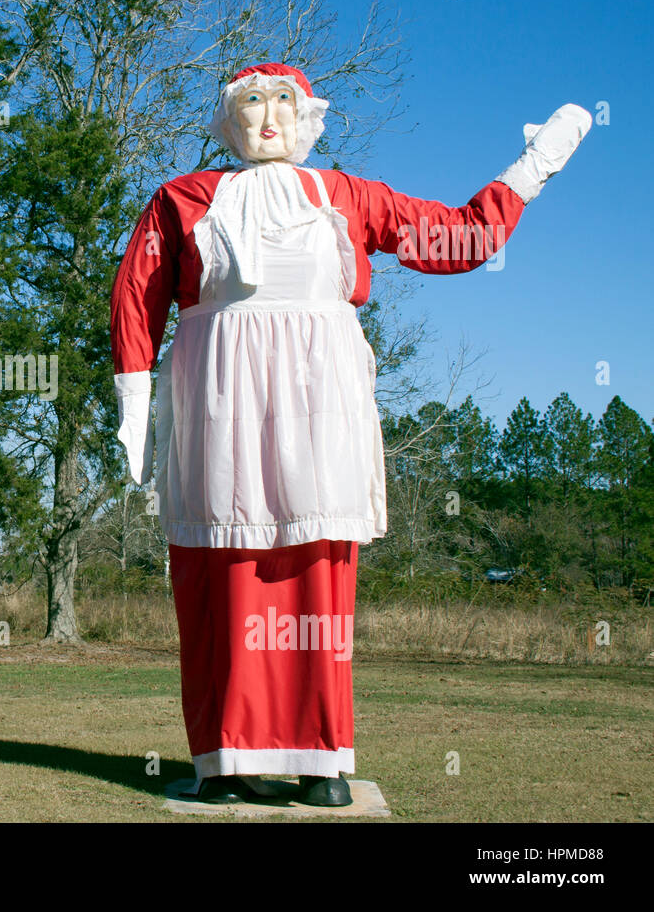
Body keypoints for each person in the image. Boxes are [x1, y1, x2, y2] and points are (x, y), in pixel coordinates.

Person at [110, 62, 589, 805]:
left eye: (282, 104)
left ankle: (321, 763)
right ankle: (227, 764)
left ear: (307, 119)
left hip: (318, 404)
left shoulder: (344, 196)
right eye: (251, 104)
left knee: (313, 571)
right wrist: (134, 402)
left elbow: (454, 238)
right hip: (217, 404)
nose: (267, 119)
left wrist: (531, 168)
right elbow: (136, 296)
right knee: (220, 570)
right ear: (225, 118)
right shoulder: (183, 198)